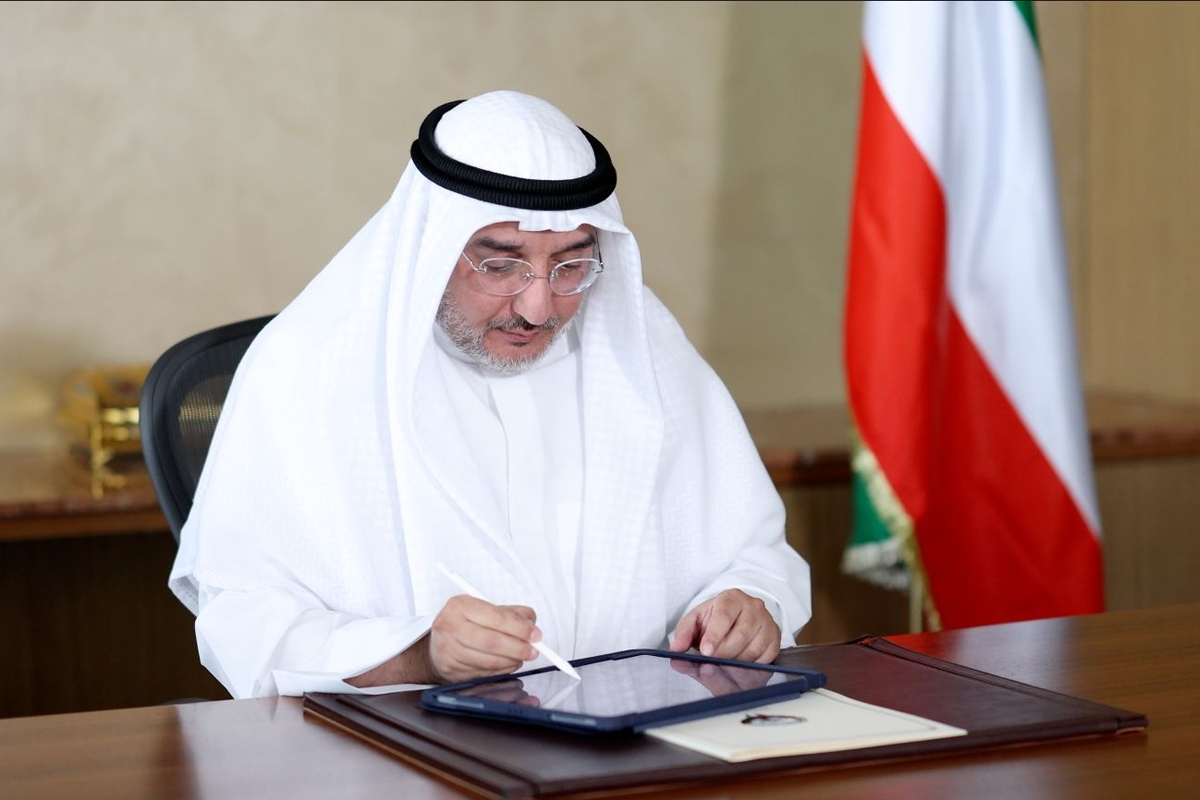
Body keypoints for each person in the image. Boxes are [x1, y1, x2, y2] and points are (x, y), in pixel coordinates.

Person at [169, 90, 812, 698]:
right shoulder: (308, 369)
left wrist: (750, 603)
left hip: (642, 744)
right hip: (409, 753)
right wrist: (419, 655)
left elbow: (754, 552)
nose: (538, 307)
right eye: (501, 265)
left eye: (571, 265)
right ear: (431, 246)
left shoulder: (644, 353)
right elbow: (244, 629)